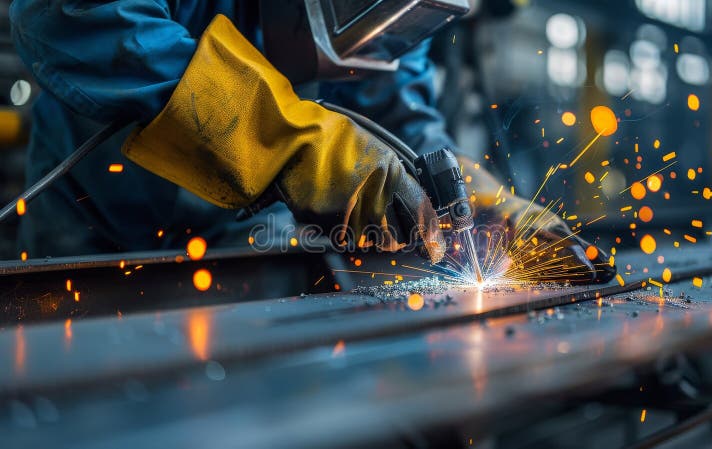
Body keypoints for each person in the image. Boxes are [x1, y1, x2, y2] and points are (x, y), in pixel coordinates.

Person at [10, 1, 614, 282]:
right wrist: (292, 143)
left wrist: (484, 204)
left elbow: (399, 112)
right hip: (92, 216)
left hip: (239, 232)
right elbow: (74, 14)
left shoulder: (395, 12)